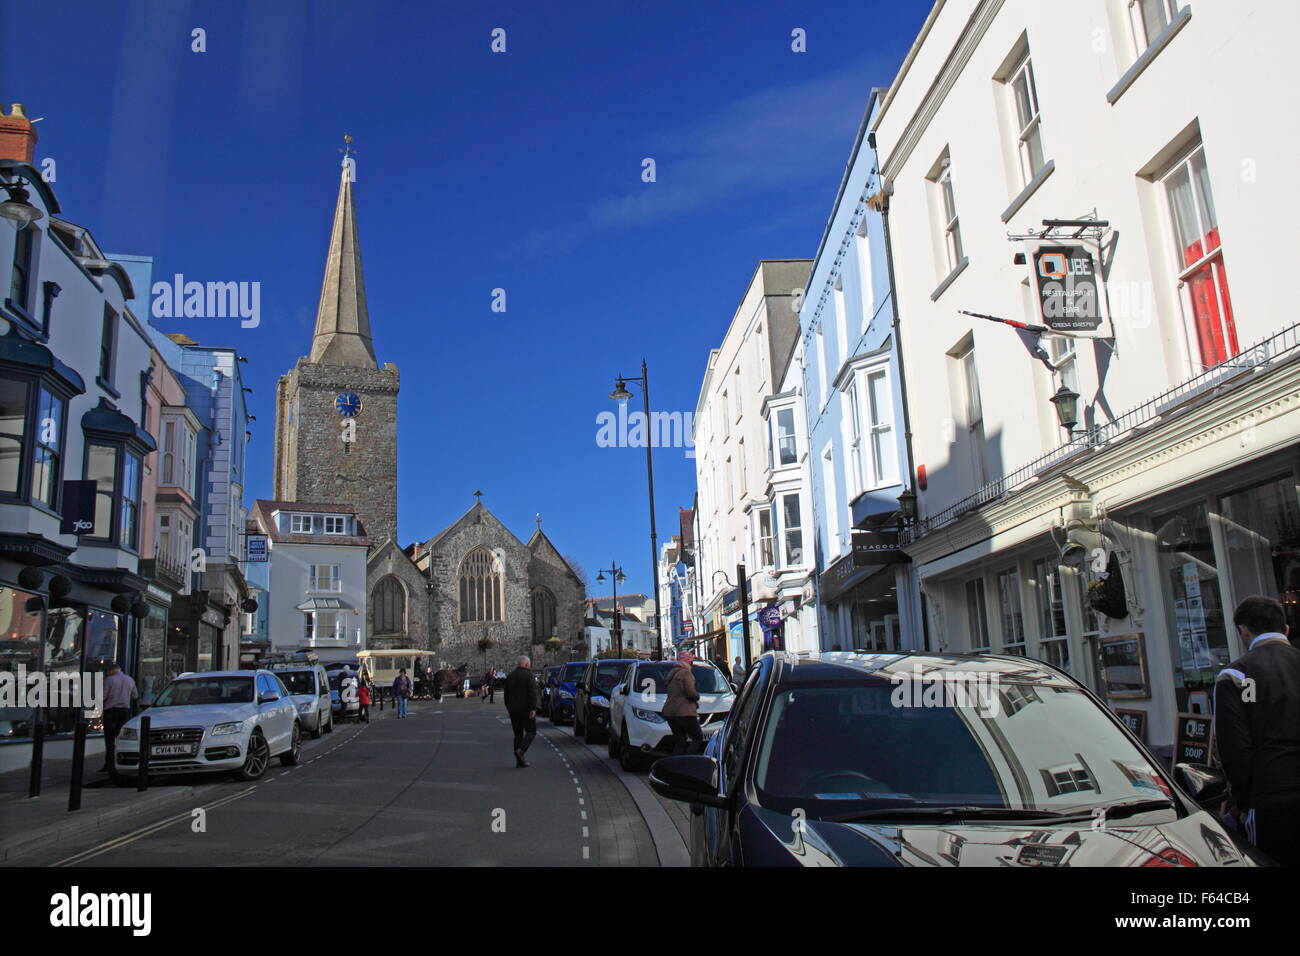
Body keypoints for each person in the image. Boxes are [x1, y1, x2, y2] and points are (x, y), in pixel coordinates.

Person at [1214, 595, 1300, 866]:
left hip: (1271, 796)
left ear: (1243, 631)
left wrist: (1242, 800)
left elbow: (1235, 748)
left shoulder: (1236, 676)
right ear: (1285, 629)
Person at [504, 654, 541, 768]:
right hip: (526, 709)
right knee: (531, 731)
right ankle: (521, 751)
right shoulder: (529, 675)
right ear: (526, 664)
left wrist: (508, 706)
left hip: (513, 709)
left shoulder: (510, 676)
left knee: (518, 734)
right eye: (529, 664)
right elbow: (532, 693)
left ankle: (519, 761)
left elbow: (506, 694)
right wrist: (533, 708)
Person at [664, 650, 704, 755]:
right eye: (691, 661)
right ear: (688, 662)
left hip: (670, 712)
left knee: (680, 742)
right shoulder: (686, 673)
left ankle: (676, 762)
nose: (692, 664)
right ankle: (689, 759)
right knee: (697, 737)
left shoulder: (672, 674)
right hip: (685, 712)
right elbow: (690, 692)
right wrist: (697, 696)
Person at [100, 662, 137, 773]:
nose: (107, 674)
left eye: (107, 672)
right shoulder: (130, 679)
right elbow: (135, 696)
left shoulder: (109, 680)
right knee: (122, 738)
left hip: (111, 712)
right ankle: (121, 762)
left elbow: (102, 696)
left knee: (109, 740)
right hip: (125, 712)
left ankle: (109, 764)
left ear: (111, 671)